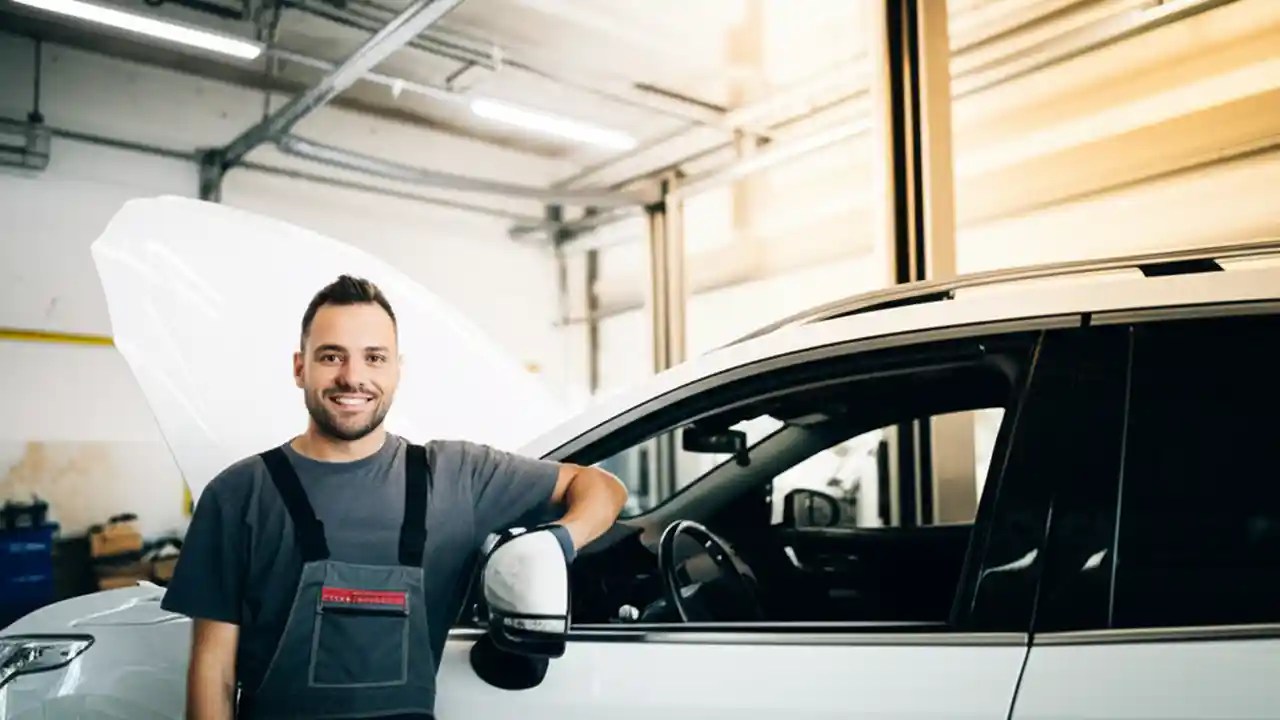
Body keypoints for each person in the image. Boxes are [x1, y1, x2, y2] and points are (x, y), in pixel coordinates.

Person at [160, 275, 628, 720]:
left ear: (397, 371)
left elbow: (599, 487)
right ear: (299, 368)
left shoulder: (457, 476)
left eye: (374, 358)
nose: (352, 376)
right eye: (331, 356)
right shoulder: (238, 494)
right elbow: (213, 672)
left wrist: (557, 543)